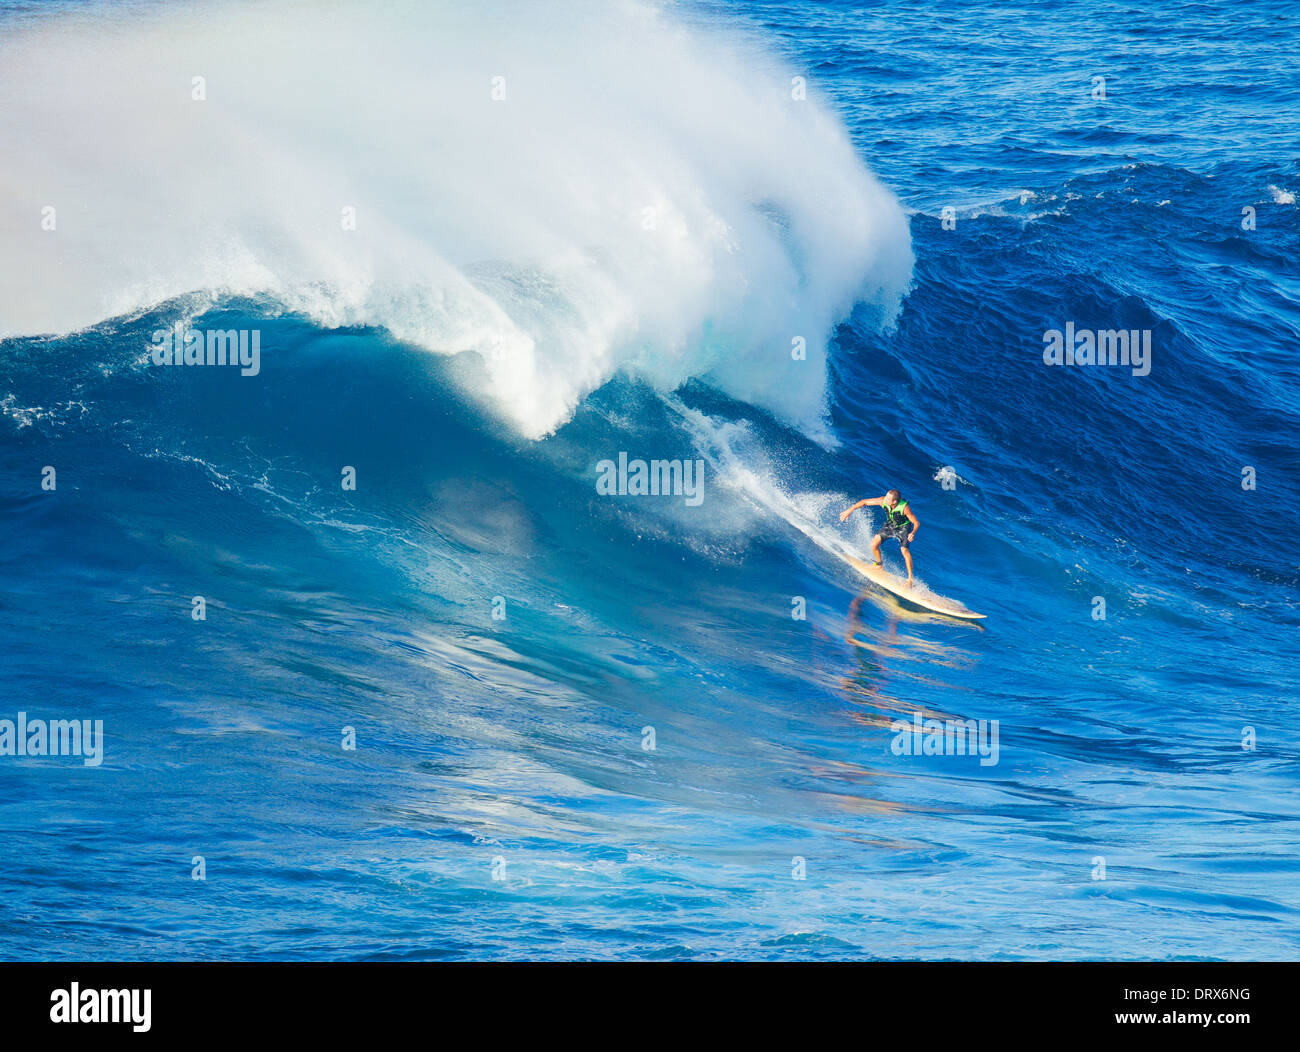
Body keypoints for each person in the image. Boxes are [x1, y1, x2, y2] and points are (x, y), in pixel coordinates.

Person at [839, 489, 919, 586]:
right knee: (874, 544)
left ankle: (910, 579)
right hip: (890, 525)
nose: (886, 499)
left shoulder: (905, 508)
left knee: (904, 550)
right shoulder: (882, 500)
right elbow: (864, 502)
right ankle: (879, 565)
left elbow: (916, 523)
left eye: (888, 498)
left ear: (895, 502)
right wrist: (849, 510)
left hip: (903, 528)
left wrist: (913, 533)